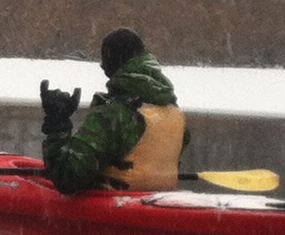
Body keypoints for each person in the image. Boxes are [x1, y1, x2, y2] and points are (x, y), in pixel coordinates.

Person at [38, 27, 189, 195]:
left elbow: (67, 178)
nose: (102, 65)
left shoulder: (112, 115)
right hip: (159, 211)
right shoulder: (175, 114)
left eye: (104, 59)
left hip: (112, 213)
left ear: (113, 62)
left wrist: (57, 123)